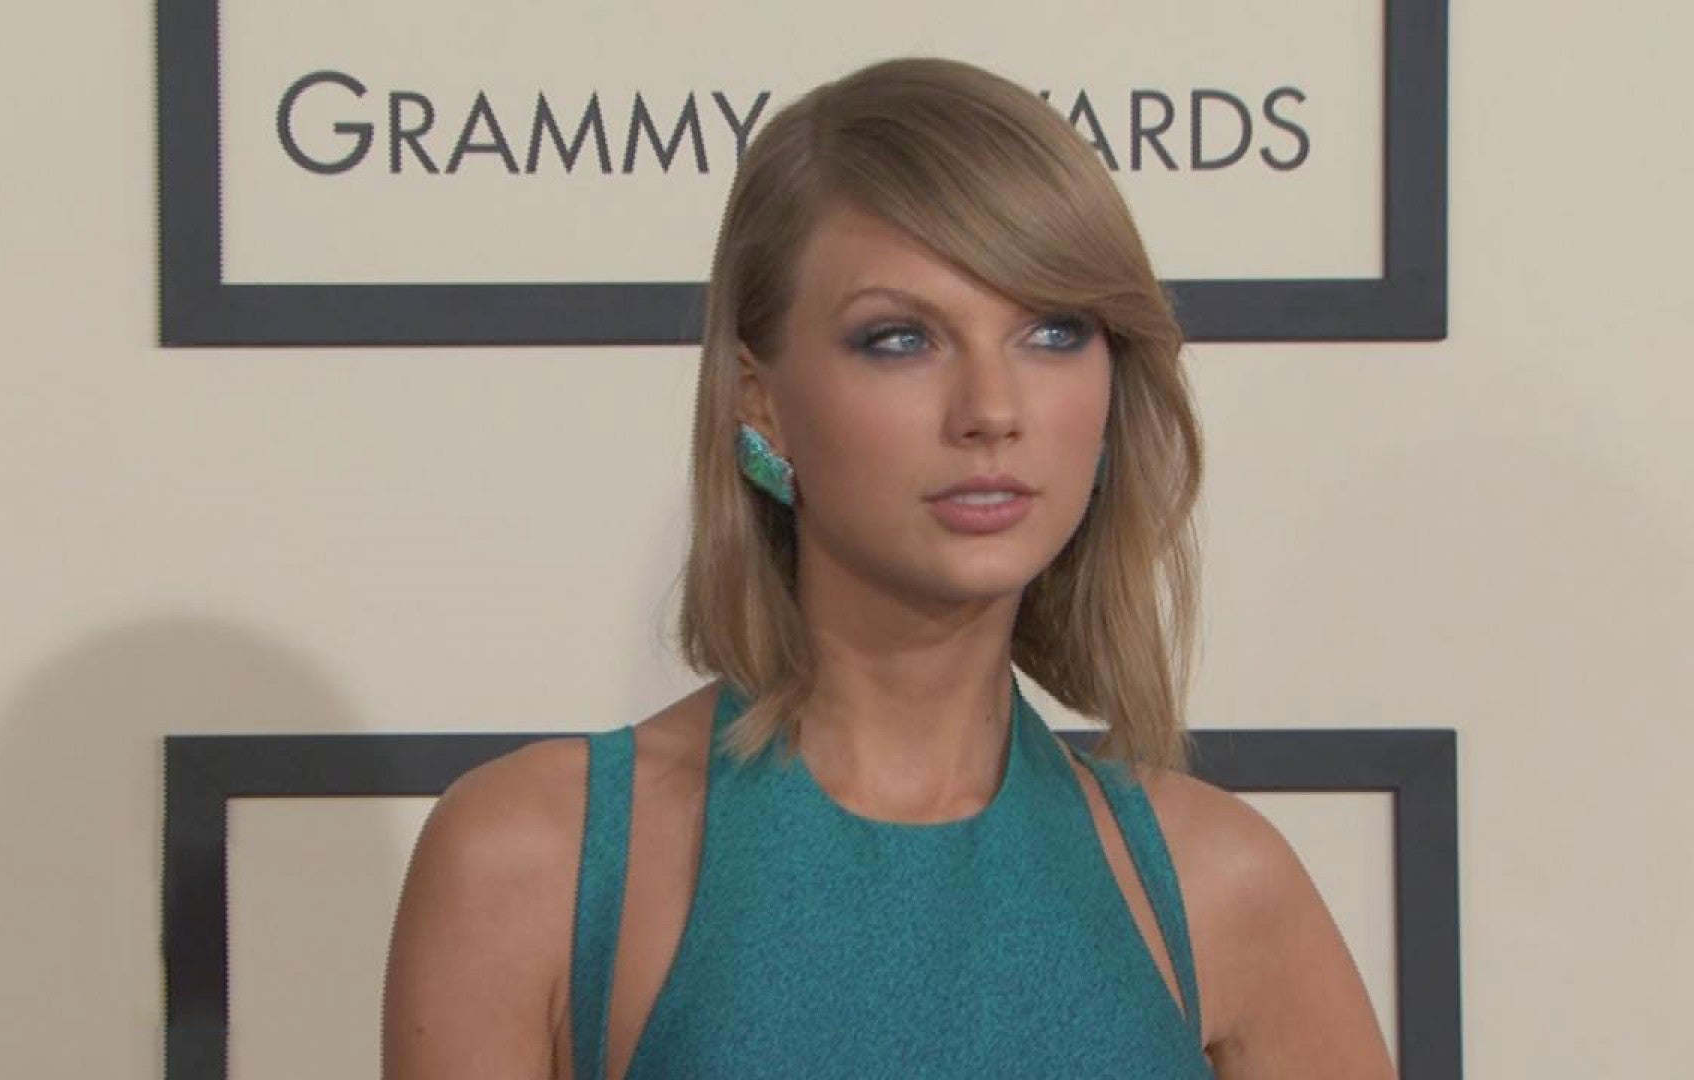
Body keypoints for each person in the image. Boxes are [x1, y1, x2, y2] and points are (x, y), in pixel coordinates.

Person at [381, 55, 1394, 1079]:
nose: (991, 409)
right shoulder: (535, 862)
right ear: (759, 399)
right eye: (901, 338)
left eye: (1053, 332)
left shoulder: (1225, 885)